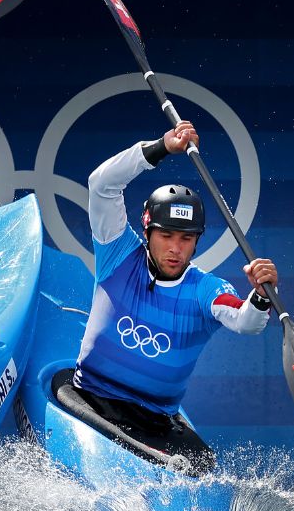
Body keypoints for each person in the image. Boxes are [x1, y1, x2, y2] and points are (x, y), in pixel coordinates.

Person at [60, 121, 277, 475]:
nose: (176, 249)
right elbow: (102, 184)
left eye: (186, 238)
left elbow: (246, 321)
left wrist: (262, 295)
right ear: (147, 232)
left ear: (197, 241)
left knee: (206, 467)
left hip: (154, 425)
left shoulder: (205, 289)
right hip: (90, 402)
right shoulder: (118, 255)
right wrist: (161, 147)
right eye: (166, 235)